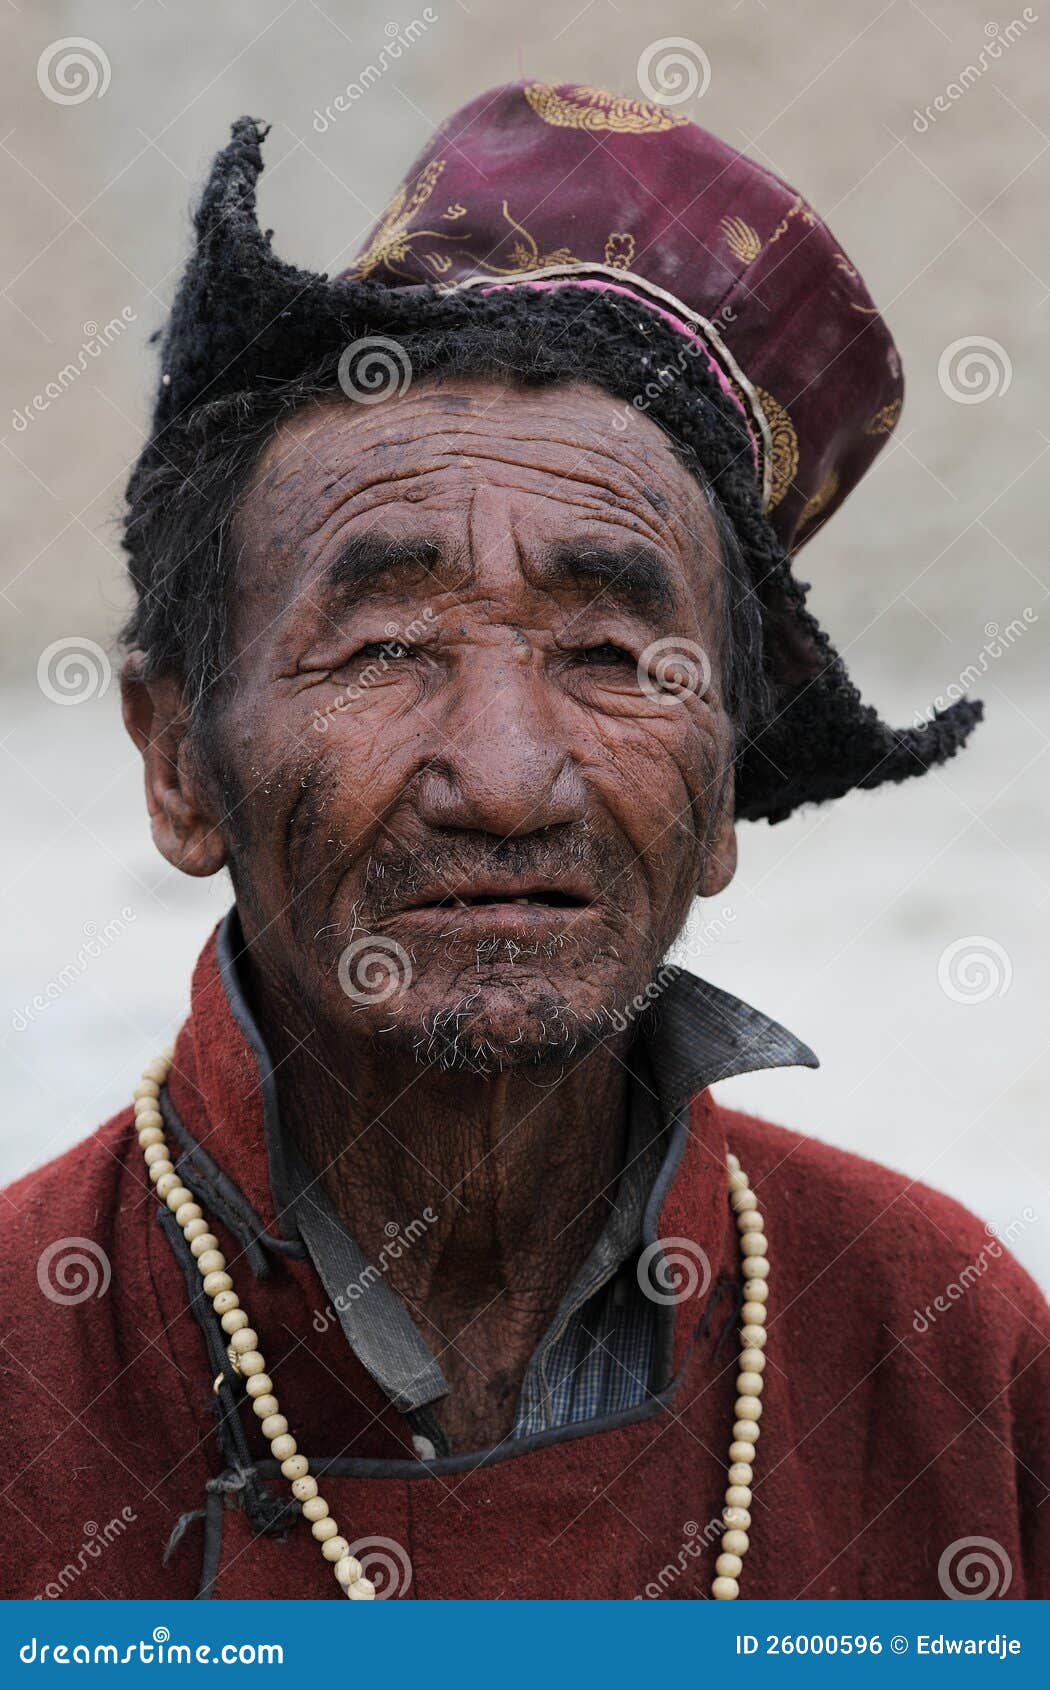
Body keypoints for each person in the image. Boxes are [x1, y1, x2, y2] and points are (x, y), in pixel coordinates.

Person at [2, 83, 1044, 1603]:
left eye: (615, 657)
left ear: (723, 791)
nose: (503, 775)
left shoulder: (935, 1339)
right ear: (179, 764)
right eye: (383, 647)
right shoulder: (35, 1355)